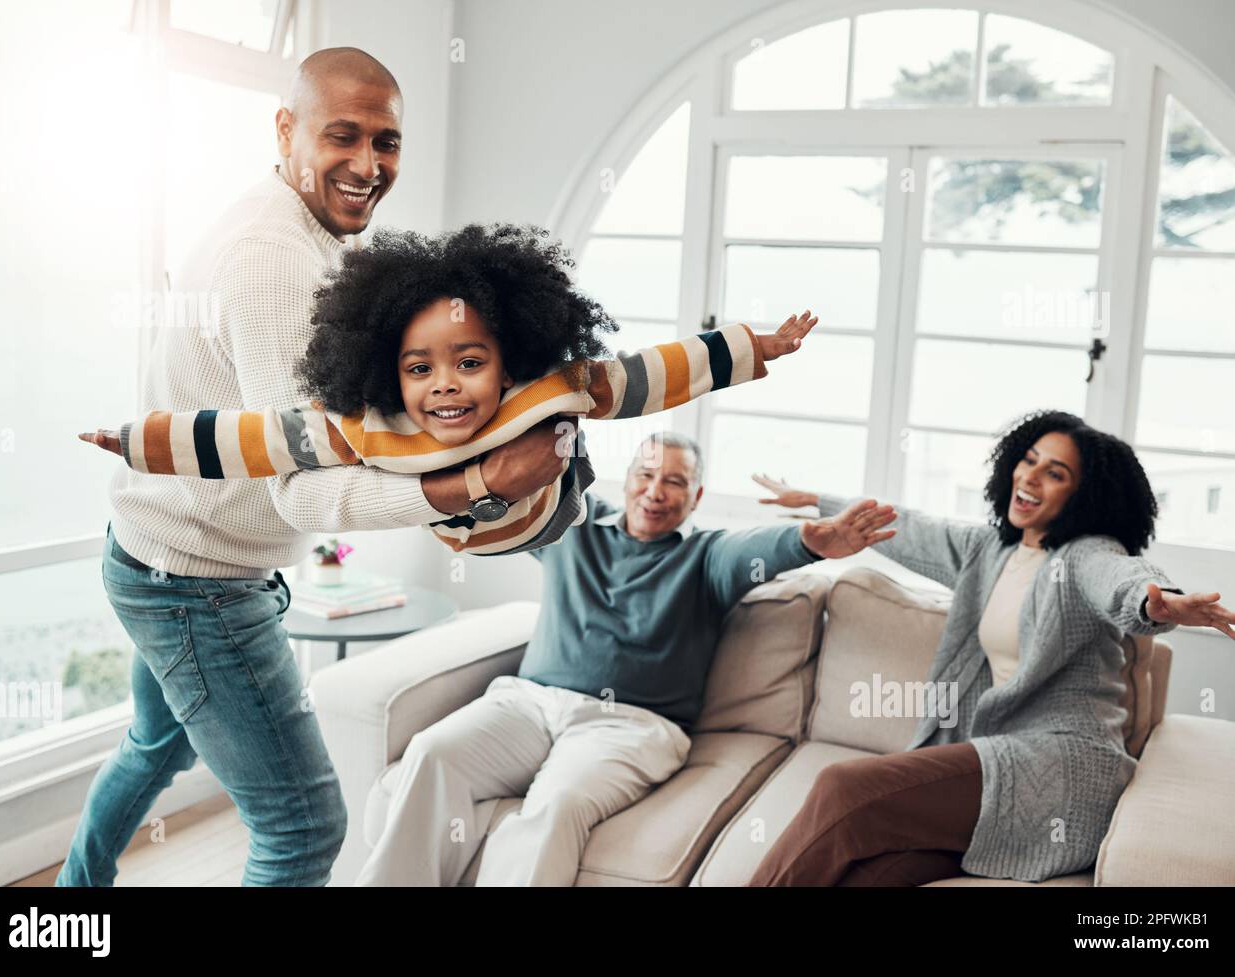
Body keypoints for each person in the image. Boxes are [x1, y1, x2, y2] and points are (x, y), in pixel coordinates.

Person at [57, 48, 569, 887]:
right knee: (302, 826)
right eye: (345, 136)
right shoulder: (276, 261)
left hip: (155, 546)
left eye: (388, 142)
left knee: (154, 747)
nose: (369, 165)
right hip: (197, 580)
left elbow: (335, 419)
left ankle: (71, 902)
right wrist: (477, 486)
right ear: (287, 131)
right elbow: (304, 491)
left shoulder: (311, 235)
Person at [79, 222, 819, 555]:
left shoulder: (547, 390)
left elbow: (651, 375)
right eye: (419, 369)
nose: (445, 388)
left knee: (578, 424)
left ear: (510, 360)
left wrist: (752, 347)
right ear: (388, 375)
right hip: (462, 522)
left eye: (470, 363)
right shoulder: (366, 425)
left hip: (547, 509)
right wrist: (139, 443)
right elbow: (251, 439)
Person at [355, 432, 899, 885]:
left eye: (675, 481)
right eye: (646, 474)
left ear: (697, 495)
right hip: (529, 704)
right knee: (430, 754)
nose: (655, 492)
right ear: (629, 476)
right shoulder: (572, 523)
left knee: (557, 803)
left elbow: (756, 548)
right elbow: (526, 481)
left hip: (631, 727)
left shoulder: (707, 556)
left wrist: (811, 538)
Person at [747, 409, 1235, 886]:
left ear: (1084, 496)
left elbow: (1123, 580)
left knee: (844, 788)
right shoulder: (989, 550)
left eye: (1055, 473)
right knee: (868, 876)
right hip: (997, 761)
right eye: (1028, 460)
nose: (1030, 478)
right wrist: (817, 500)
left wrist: (1161, 604)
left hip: (1065, 769)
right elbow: (912, 528)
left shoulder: (1083, 557)